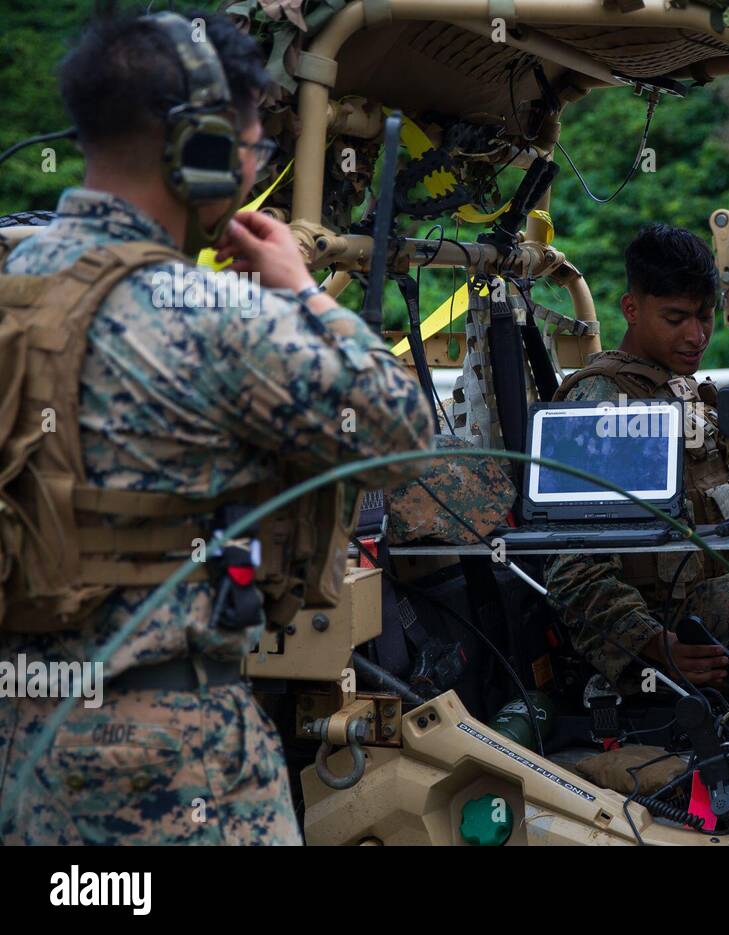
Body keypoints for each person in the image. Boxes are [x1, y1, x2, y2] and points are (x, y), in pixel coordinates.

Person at [0, 9, 509, 845]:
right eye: (249, 151)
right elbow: (403, 436)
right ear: (196, 151)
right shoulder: (220, 317)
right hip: (175, 757)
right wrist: (301, 292)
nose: (251, 172)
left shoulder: (13, 284)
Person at [545, 224, 729, 692]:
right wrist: (656, 643)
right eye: (675, 319)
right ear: (631, 309)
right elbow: (571, 567)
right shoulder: (604, 404)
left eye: (705, 317)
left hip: (724, 590)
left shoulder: (679, 386)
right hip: (677, 619)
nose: (696, 335)